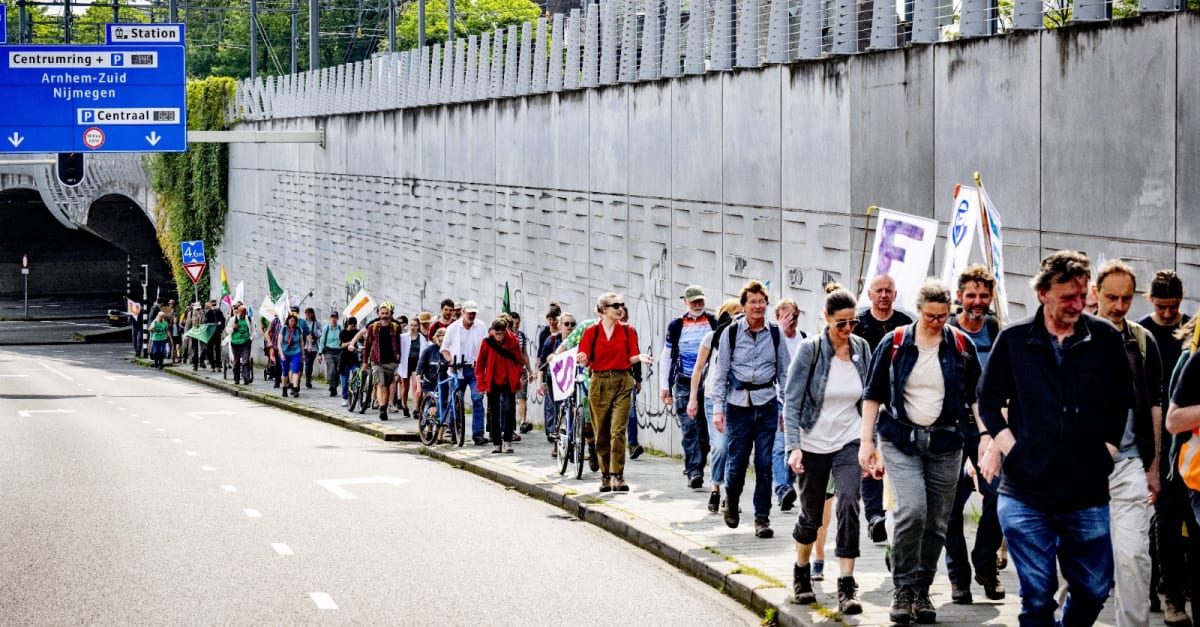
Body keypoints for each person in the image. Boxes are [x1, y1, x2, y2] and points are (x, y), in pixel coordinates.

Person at [977, 250, 1133, 627]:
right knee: (1037, 594)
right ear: (1043, 293)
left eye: (1082, 295)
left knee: (1095, 587)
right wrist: (1011, 448)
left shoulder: (1105, 339)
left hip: (1086, 491)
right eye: (1067, 297)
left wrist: (1108, 451)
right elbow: (988, 399)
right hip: (1025, 493)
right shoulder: (1014, 339)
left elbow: (1120, 401)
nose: (1078, 304)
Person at [859, 278, 982, 625]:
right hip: (901, 441)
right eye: (930, 316)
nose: (937, 323)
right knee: (912, 511)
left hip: (946, 444)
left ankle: (922, 589)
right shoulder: (895, 342)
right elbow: (873, 394)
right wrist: (867, 443)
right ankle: (903, 589)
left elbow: (977, 398)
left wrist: (984, 440)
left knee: (937, 521)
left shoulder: (960, 345)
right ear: (919, 311)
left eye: (943, 316)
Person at [784, 284, 871, 615]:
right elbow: (791, 402)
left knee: (849, 502)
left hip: (848, 440)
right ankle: (802, 572)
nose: (848, 330)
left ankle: (846, 585)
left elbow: (870, 399)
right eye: (841, 324)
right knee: (811, 516)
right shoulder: (811, 350)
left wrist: (870, 442)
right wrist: (793, 446)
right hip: (812, 443)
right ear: (826, 319)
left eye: (853, 323)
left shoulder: (862, 348)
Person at [1090, 259, 1164, 627]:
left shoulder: (1141, 340)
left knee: (1134, 557)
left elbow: (1154, 406)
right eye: (1112, 298)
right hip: (1080, 468)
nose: (1119, 306)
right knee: (1070, 565)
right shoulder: (1075, 336)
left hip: (1130, 464)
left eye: (1127, 298)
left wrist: (1154, 467)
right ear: (1095, 294)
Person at [943, 264, 1006, 605]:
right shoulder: (948, 332)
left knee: (999, 495)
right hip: (952, 428)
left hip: (989, 429)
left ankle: (985, 564)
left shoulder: (996, 331)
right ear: (959, 296)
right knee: (950, 507)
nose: (978, 301)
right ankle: (958, 579)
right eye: (971, 295)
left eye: (984, 295)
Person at [711, 280, 791, 539]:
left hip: (767, 403)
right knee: (737, 464)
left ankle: (762, 518)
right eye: (753, 302)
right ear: (743, 306)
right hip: (738, 406)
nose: (758, 306)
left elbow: (784, 374)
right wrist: (718, 410)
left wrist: (786, 410)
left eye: (761, 302)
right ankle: (731, 501)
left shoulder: (776, 333)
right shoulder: (731, 333)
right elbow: (721, 373)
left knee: (765, 463)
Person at [1142, 271, 1196, 627]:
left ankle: (1170, 588)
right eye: (1161, 306)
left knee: (1185, 524)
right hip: (1158, 439)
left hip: (1189, 444)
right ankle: (1169, 594)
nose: (1166, 313)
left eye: (1173, 306)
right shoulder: (1142, 332)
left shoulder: (1192, 331)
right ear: (1150, 301)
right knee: (1165, 521)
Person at [854, 274, 913, 544]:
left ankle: (892, 511)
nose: (884, 295)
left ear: (895, 293)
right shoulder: (859, 325)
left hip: (897, 404)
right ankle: (875, 516)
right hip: (865, 403)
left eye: (889, 290)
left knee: (890, 460)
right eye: (879, 290)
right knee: (871, 459)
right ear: (869, 294)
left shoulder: (905, 324)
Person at [576, 293, 653, 492]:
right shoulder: (592, 332)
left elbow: (631, 356)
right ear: (603, 310)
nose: (620, 309)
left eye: (621, 305)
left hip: (622, 381)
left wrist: (640, 358)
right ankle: (604, 475)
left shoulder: (628, 331)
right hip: (599, 382)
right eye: (615, 305)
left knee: (617, 431)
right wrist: (583, 358)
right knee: (601, 432)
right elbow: (583, 359)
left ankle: (618, 475)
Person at [661, 285, 719, 490]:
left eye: (700, 301)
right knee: (689, 427)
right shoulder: (677, 325)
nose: (697, 305)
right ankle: (694, 471)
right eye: (693, 301)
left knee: (704, 431)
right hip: (685, 383)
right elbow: (667, 356)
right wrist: (664, 386)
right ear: (685, 302)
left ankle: (698, 463)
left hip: (708, 384)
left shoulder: (713, 322)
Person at [689, 299, 743, 513]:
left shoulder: (747, 339)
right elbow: (699, 368)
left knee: (735, 449)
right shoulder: (711, 338)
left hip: (738, 399)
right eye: (736, 313)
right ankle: (715, 487)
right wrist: (693, 398)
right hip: (714, 398)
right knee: (720, 446)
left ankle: (730, 496)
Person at [773, 298, 808, 511]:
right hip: (777, 400)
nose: (791, 321)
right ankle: (782, 489)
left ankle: (788, 485)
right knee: (779, 446)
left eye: (793, 316)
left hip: (802, 403)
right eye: (785, 317)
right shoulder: (774, 339)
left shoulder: (805, 339)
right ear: (777, 319)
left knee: (795, 447)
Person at [477, 318, 528, 453]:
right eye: (497, 333)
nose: (499, 336)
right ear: (493, 332)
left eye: (501, 333)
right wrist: (481, 384)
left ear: (505, 331)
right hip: (492, 380)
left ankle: (508, 441)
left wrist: (517, 376)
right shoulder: (487, 342)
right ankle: (497, 443)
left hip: (508, 380)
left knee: (508, 409)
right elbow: (480, 364)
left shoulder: (513, 342)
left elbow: (519, 361)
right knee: (494, 413)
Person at [441, 301, 488, 444]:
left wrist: (481, 363)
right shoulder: (453, 328)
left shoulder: (481, 326)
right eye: (469, 313)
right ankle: (455, 431)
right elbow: (444, 348)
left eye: (474, 313)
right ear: (463, 312)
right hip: (457, 369)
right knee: (455, 401)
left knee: (477, 399)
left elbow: (486, 346)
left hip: (474, 369)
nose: (472, 316)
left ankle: (478, 434)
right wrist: (450, 361)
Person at [538, 312, 575, 456]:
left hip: (572, 380)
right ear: (560, 325)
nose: (570, 327)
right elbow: (542, 363)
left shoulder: (578, 341)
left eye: (572, 324)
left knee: (573, 409)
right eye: (567, 324)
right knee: (558, 410)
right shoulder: (552, 340)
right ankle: (557, 444)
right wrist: (539, 383)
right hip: (556, 381)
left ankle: (573, 442)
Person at [362, 302, 402, 421]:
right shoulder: (373, 327)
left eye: (386, 313)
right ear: (379, 314)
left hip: (391, 362)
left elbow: (400, 344)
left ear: (390, 314)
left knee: (388, 386)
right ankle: (382, 408)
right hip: (377, 361)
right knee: (380, 385)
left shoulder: (395, 327)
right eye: (382, 313)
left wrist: (399, 358)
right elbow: (367, 345)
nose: (384, 315)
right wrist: (365, 361)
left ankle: (384, 404)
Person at [416, 327, 450, 440]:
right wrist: (418, 386)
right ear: (436, 339)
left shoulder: (448, 351)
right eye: (440, 340)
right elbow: (419, 368)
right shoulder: (429, 350)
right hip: (429, 383)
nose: (441, 343)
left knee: (443, 407)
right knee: (433, 405)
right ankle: (430, 428)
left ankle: (440, 437)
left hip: (443, 383)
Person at [510, 312, 534, 434]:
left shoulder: (522, 336)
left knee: (522, 397)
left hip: (521, 370)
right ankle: (510, 423)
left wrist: (530, 370)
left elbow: (525, 354)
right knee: (509, 398)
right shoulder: (505, 336)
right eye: (514, 323)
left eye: (518, 323)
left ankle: (522, 422)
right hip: (509, 371)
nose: (516, 326)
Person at [275, 312, 305, 397]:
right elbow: (279, 343)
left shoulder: (299, 330)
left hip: (296, 352)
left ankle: (295, 388)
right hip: (285, 352)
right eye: (291, 321)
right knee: (285, 372)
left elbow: (301, 342)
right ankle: (284, 388)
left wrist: (302, 354)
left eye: (294, 321)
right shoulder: (283, 329)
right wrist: (281, 354)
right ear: (288, 321)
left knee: (296, 370)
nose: (293, 323)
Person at [317, 311, 343, 397]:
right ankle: (332, 388)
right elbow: (322, 341)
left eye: (335, 317)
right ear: (329, 318)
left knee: (338, 371)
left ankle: (335, 385)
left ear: (337, 318)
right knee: (331, 370)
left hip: (339, 352)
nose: (333, 319)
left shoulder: (340, 328)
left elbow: (344, 339)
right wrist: (320, 353)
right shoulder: (326, 328)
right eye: (332, 317)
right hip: (328, 352)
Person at [229, 303, 254, 384]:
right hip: (235, 343)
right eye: (240, 312)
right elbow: (227, 330)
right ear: (238, 312)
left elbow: (253, 330)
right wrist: (233, 328)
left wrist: (251, 338)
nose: (241, 314)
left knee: (245, 361)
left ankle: (246, 377)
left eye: (243, 312)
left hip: (246, 342)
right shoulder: (233, 319)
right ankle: (236, 378)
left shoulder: (249, 319)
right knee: (236, 362)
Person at [338, 316, 360, 407]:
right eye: (351, 325)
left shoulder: (357, 332)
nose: (353, 327)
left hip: (354, 358)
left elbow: (362, 340)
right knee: (344, 380)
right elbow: (342, 345)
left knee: (356, 377)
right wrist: (352, 342)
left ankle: (355, 396)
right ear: (348, 324)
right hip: (345, 359)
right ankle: (345, 397)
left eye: (354, 326)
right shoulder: (343, 332)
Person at [302, 307, 321, 389]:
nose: (307, 314)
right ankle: (308, 379)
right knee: (307, 362)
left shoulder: (316, 323)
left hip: (313, 346)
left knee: (310, 363)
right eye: (306, 313)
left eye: (309, 313)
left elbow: (320, 332)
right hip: (305, 345)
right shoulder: (303, 323)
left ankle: (308, 377)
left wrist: (317, 336)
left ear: (312, 314)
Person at [205, 299, 226, 373]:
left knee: (217, 349)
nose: (213, 306)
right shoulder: (208, 313)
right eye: (212, 304)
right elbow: (206, 322)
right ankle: (212, 365)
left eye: (214, 304)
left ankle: (217, 365)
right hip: (210, 333)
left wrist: (221, 325)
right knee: (210, 349)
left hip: (217, 333)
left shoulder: (219, 312)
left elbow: (223, 320)